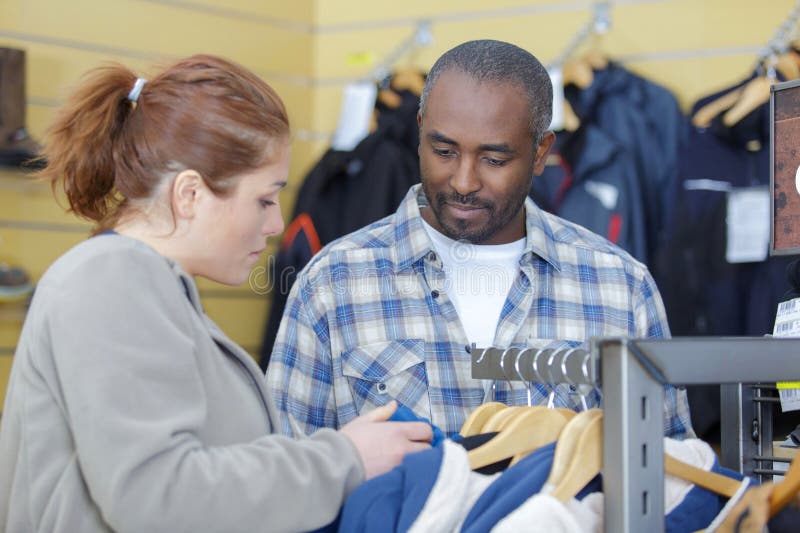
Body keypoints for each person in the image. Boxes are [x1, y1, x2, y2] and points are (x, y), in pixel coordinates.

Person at [0, 55, 433, 533]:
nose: (276, 225)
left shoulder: (148, 287)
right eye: (264, 199)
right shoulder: (109, 280)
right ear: (189, 195)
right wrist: (345, 458)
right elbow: (158, 497)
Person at [266, 39, 693, 439]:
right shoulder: (332, 283)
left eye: (493, 159)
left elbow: (667, 473)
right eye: (444, 151)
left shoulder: (620, 287)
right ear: (420, 132)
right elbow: (290, 481)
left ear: (542, 152)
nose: (464, 181)